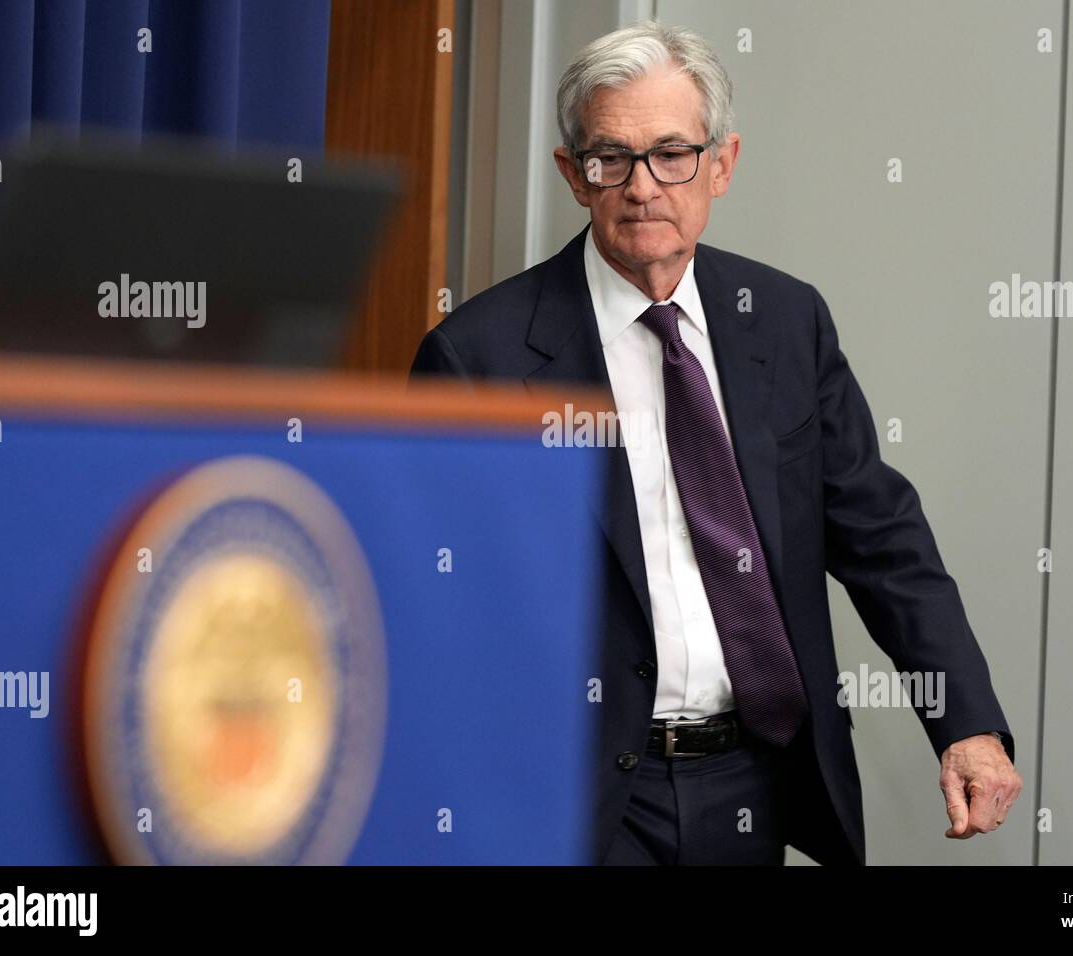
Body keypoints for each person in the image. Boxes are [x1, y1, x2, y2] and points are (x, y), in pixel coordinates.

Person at [411, 19, 1022, 865]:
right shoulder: (478, 356)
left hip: (755, 779)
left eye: (672, 153)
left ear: (722, 164)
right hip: (581, 799)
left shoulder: (785, 320)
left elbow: (882, 537)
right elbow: (439, 611)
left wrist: (968, 724)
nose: (642, 185)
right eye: (610, 157)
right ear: (572, 175)